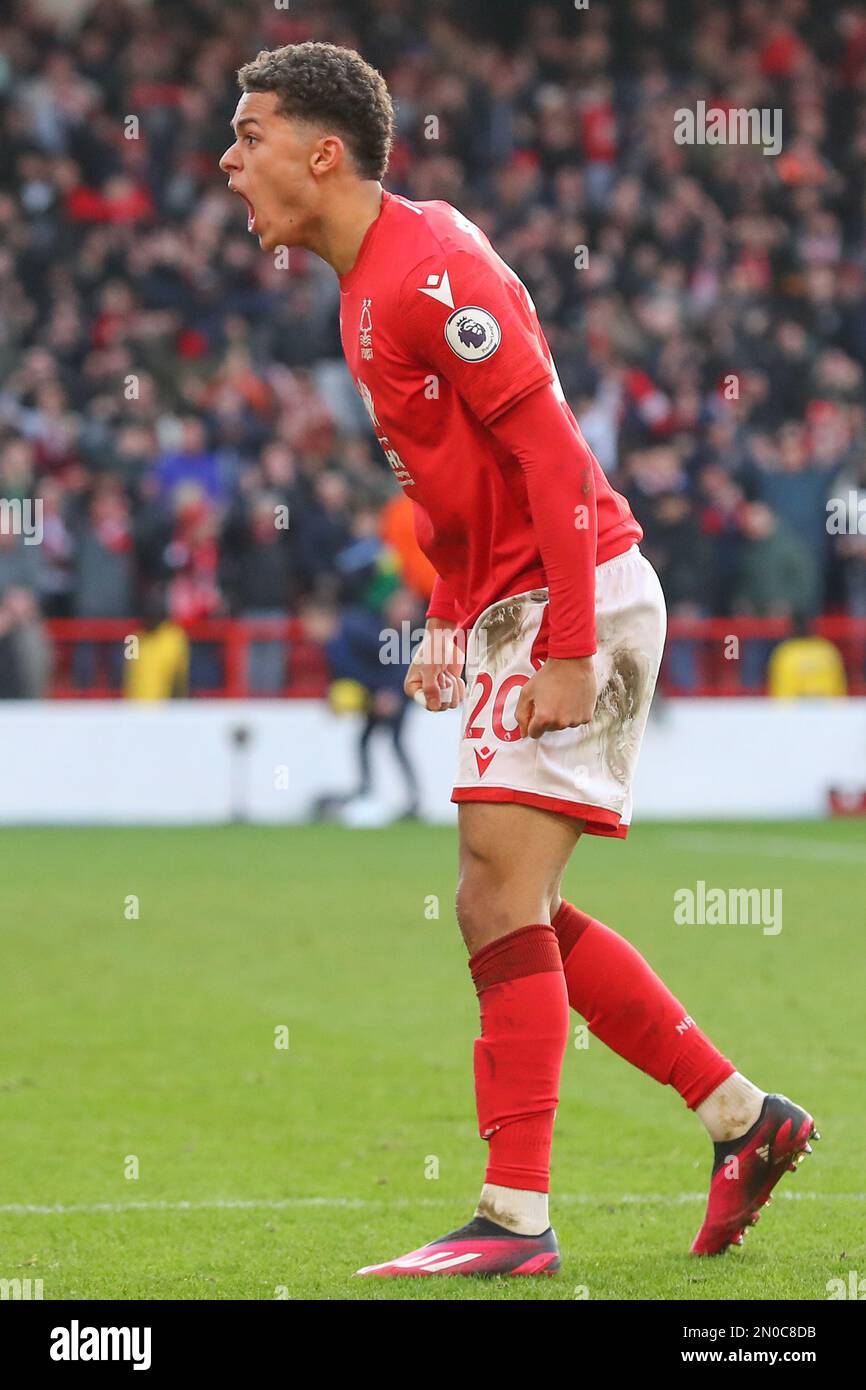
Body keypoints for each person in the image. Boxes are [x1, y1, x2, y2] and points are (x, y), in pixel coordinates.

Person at [219, 41, 817, 1277]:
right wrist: (447, 613)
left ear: (320, 153)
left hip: (576, 592)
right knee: (509, 904)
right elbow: (454, 490)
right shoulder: (361, 283)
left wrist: (563, 646)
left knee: (496, 899)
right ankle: (739, 1119)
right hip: (513, 597)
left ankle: (515, 1219)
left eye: (248, 134)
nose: (229, 162)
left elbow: (549, 455)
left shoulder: (430, 272)